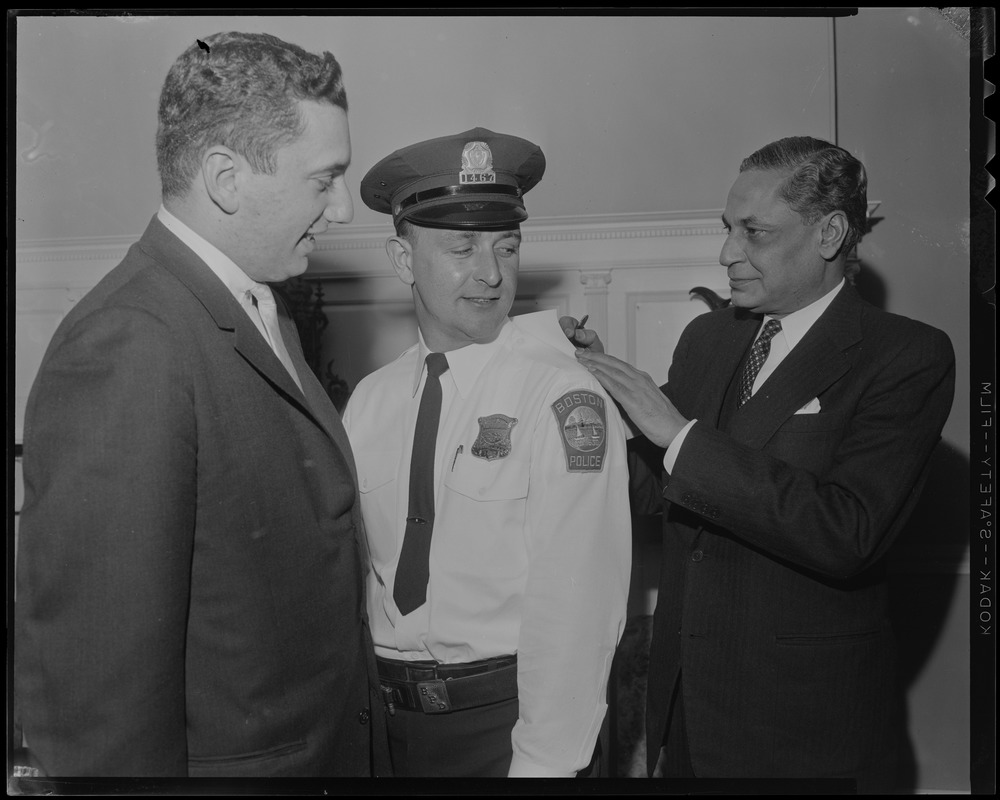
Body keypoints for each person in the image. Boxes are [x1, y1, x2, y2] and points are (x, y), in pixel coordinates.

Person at [14, 31, 390, 778]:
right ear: (226, 178)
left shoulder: (258, 307)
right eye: (325, 180)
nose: (344, 209)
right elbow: (101, 708)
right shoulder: (128, 344)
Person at [564, 136, 955, 792]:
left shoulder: (906, 355)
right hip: (688, 716)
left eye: (755, 232)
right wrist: (587, 400)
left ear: (829, 233)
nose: (726, 253)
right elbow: (658, 488)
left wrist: (678, 434)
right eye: (727, 228)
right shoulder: (709, 338)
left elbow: (848, 531)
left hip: (804, 734)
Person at [342, 128, 631, 778]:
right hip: (387, 729)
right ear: (403, 259)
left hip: (508, 729)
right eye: (461, 248)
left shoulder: (562, 396)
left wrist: (543, 767)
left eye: (506, 246)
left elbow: (578, 611)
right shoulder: (370, 402)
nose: (492, 273)